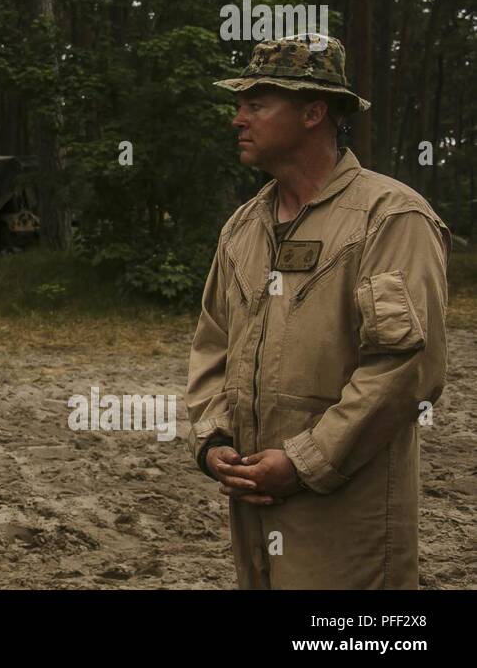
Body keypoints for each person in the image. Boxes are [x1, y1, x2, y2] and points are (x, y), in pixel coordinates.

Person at [186, 34, 449, 589]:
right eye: (239, 105)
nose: (238, 119)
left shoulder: (390, 218)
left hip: (347, 517)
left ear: (313, 112)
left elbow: (403, 370)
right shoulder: (242, 229)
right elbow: (212, 344)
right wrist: (213, 442)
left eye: (256, 105)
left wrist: (303, 463)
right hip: (253, 508)